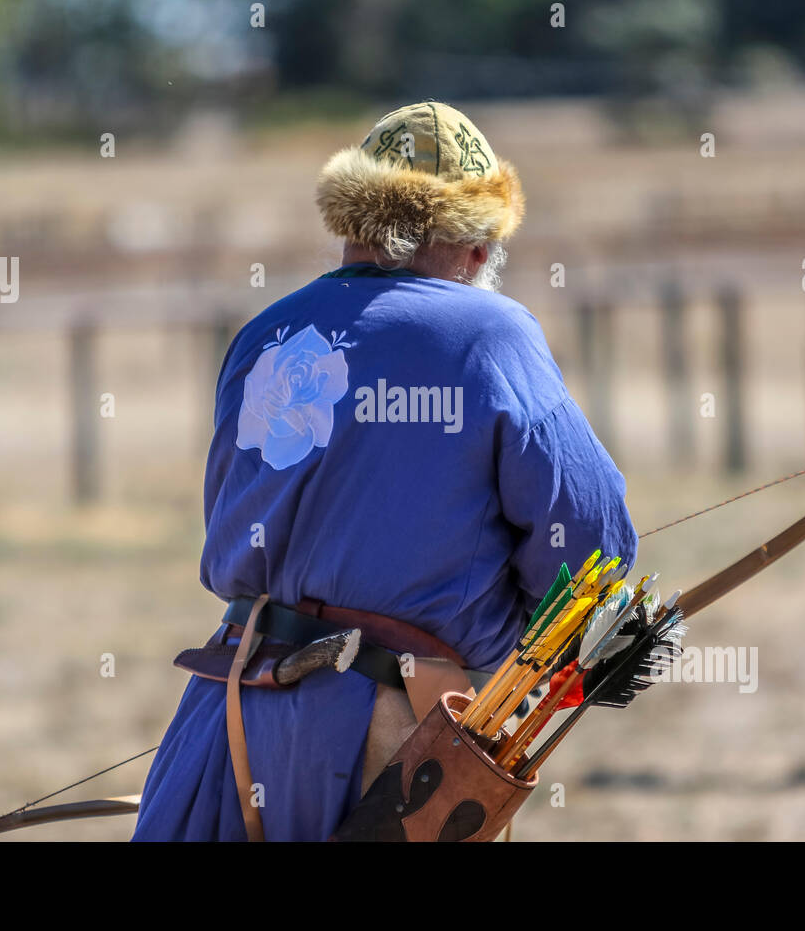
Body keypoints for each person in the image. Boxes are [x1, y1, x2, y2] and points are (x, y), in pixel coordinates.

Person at [132, 101, 636, 841]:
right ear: (473, 246)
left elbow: (231, 527)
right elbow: (593, 546)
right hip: (389, 726)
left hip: (228, 711)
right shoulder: (491, 333)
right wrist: (511, 659)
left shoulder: (262, 333)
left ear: (353, 229)